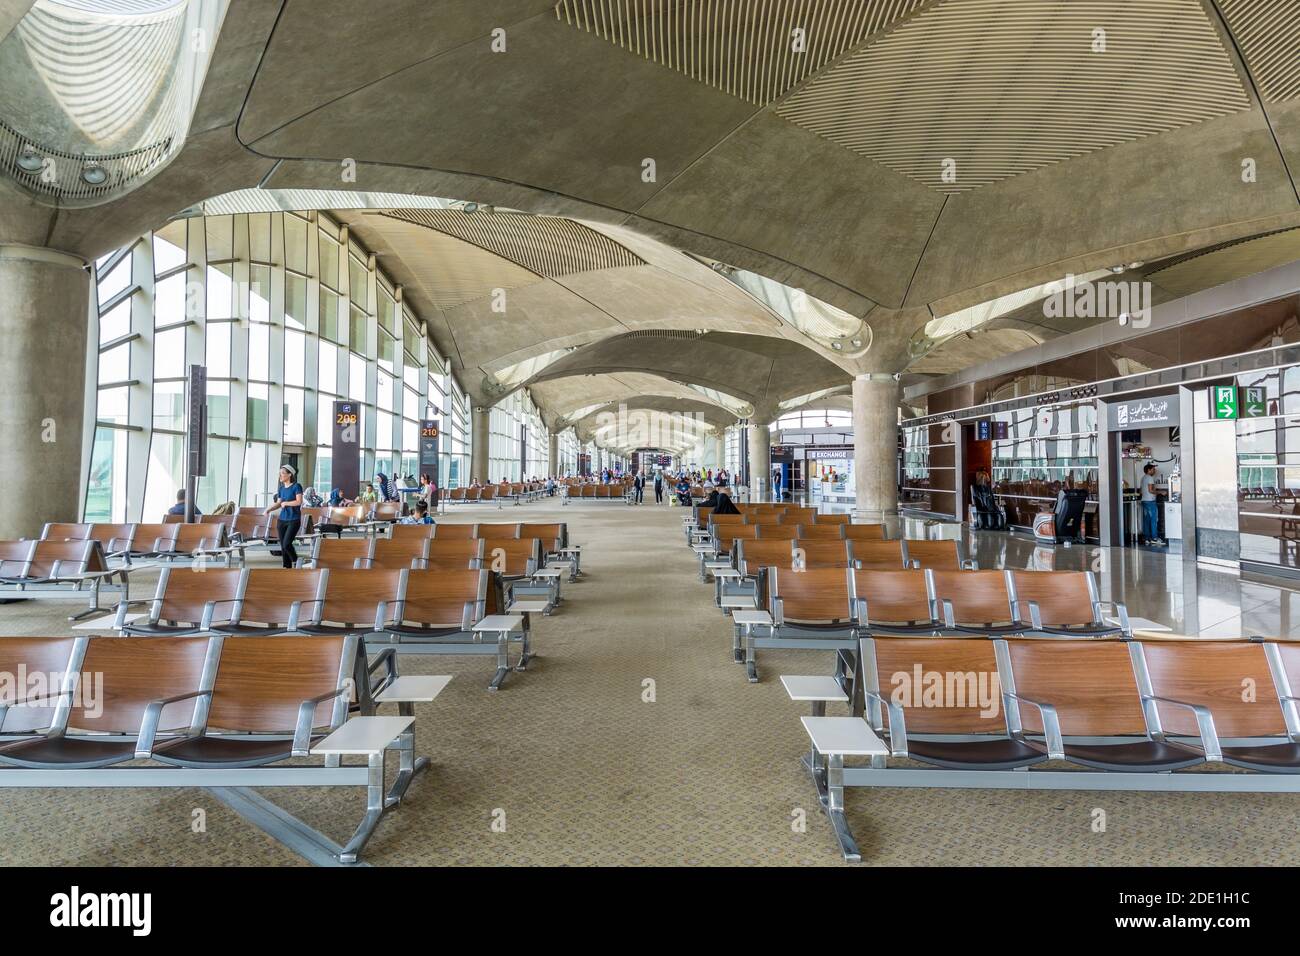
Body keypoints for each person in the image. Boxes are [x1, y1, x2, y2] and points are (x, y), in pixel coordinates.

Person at [264, 465, 304, 568]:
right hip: (282, 520)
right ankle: (287, 566)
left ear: (289, 474)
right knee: (283, 546)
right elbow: (278, 503)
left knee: (287, 544)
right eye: (280, 473)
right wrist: (268, 509)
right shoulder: (281, 489)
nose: (280, 475)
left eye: (282, 473)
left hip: (293, 520)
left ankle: (296, 560)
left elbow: (299, 502)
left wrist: (286, 503)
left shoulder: (296, 486)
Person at [1140, 463, 1163, 546]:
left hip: (1144, 501)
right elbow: (1150, 490)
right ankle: (1154, 538)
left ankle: (1147, 538)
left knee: (1147, 521)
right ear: (1148, 470)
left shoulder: (1143, 478)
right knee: (1154, 520)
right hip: (1150, 501)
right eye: (1153, 469)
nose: (1154, 471)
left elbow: (1141, 491)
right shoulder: (1150, 478)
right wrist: (1161, 492)